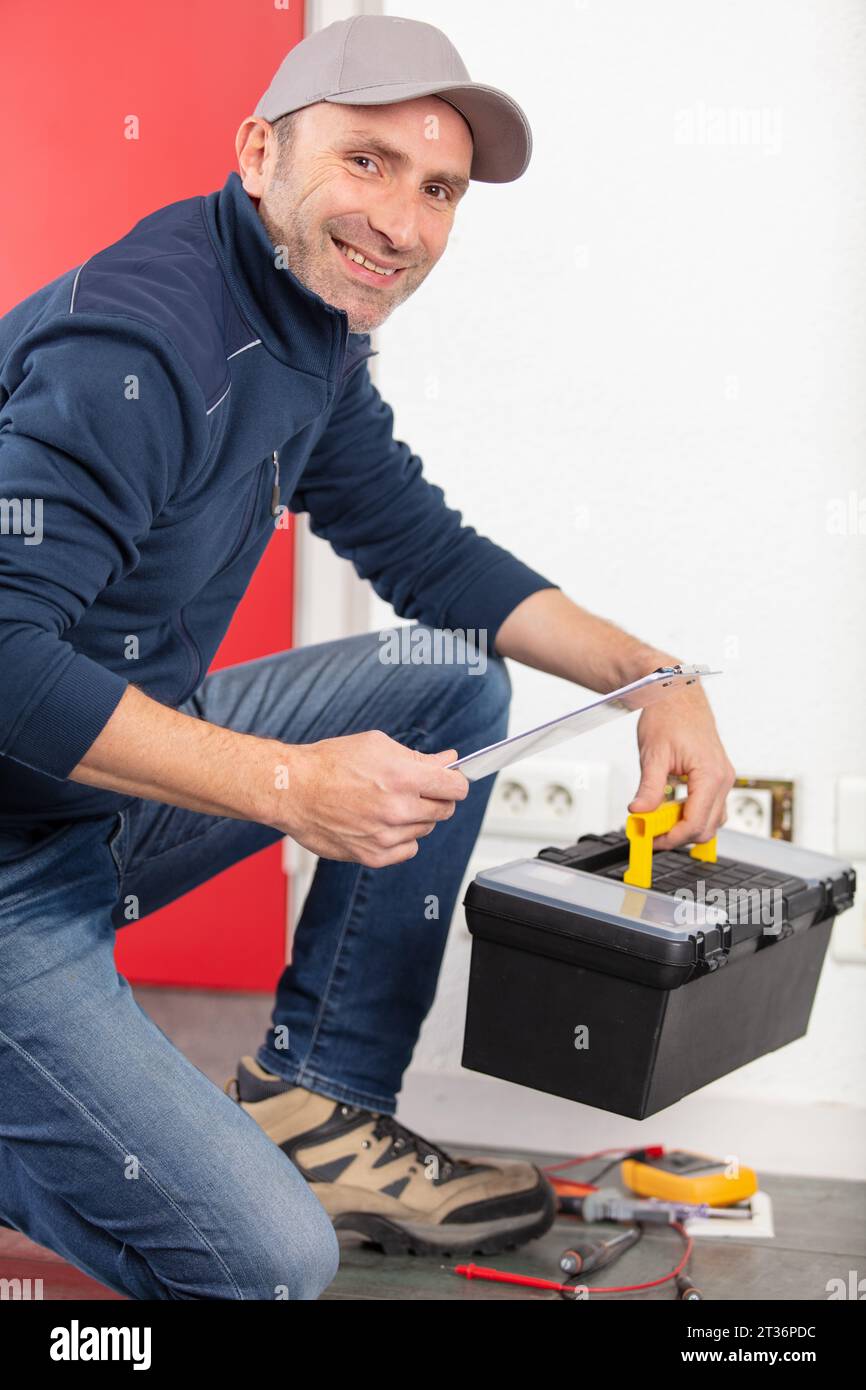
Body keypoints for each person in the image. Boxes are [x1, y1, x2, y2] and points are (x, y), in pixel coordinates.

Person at [0, 15, 735, 1299]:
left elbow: (427, 554)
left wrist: (651, 677)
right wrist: (287, 788)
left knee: (446, 675)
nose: (401, 220)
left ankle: (318, 1103)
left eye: (437, 187)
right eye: (367, 162)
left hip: (86, 810)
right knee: (264, 1264)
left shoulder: (310, 326)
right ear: (258, 152)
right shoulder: (145, 339)